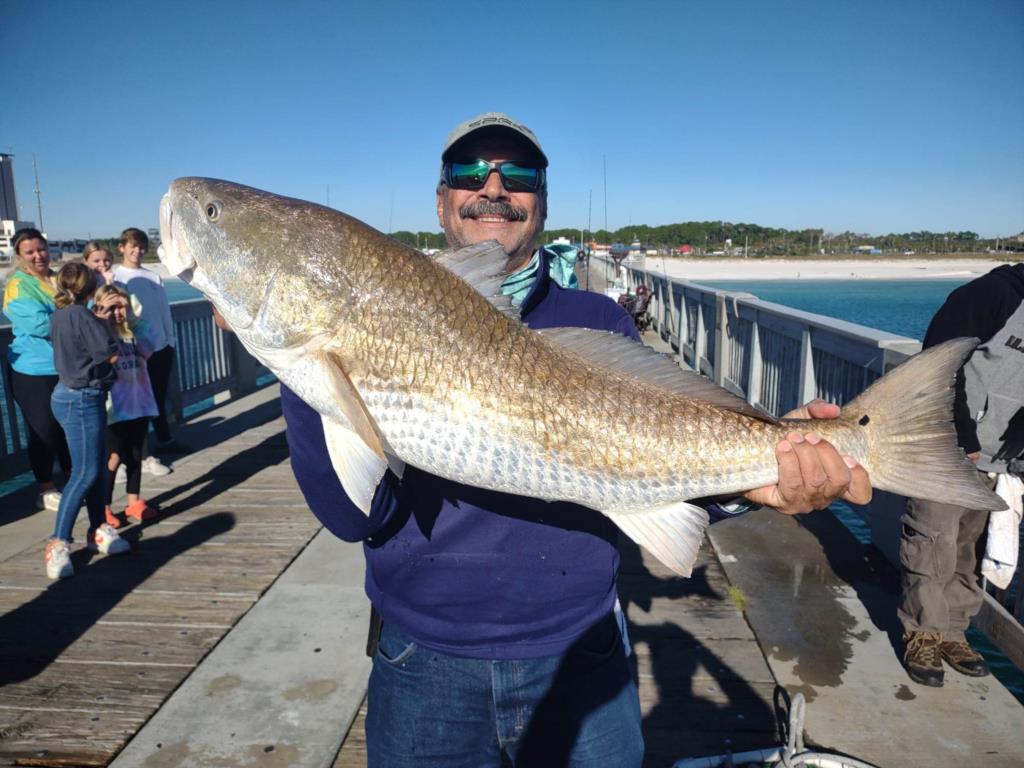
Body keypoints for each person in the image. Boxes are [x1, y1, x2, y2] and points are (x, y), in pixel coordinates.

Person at [280, 112, 871, 766]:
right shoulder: (371, 313)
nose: (495, 187)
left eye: (519, 174)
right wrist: (309, 368)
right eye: (470, 172)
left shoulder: (600, 320)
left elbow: (653, 466)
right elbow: (350, 514)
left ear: (543, 201)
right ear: (443, 200)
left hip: (580, 650)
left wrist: (758, 482)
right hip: (423, 655)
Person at [899, 262, 1024, 687]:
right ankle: (923, 634)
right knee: (931, 540)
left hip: (1000, 460)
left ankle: (954, 631)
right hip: (947, 449)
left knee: (968, 549)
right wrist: (963, 433)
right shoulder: (993, 294)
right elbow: (937, 364)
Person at [44, 262, 129, 580]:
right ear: (90, 286)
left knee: (90, 468)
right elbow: (109, 353)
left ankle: (98, 530)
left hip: (66, 394)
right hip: (83, 398)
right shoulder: (82, 315)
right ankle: (58, 541)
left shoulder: (60, 316)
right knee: (86, 472)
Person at [2, 228, 71, 512]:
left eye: (41, 249)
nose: (37, 256)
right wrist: (74, 319)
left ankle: (74, 476)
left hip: (67, 366)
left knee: (69, 425)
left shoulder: (59, 279)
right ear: (19, 255)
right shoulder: (17, 285)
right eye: (29, 252)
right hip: (33, 369)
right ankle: (45, 488)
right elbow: (38, 325)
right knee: (43, 428)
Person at [93, 283, 160, 528]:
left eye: (122, 306)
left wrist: (133, 320)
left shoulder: (133, 332)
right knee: (113, 457)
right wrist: (101, 321)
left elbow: (148, 350)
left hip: (138, 402)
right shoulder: (100, 333)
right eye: (113, 307)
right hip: (114, 408)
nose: (118, 313)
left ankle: (134, 501)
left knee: (134, 453)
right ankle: (104, 507)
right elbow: (96, 356)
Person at [111, 227, 176, 476]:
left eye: (141, 247)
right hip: (133, 352)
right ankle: (139, 456)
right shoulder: (116, 278)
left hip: (161, 346)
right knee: (137, 403)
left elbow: (164, 311)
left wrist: (170, 340)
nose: (137, 251)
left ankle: (164, 440)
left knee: (157, 398)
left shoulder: (154, 277)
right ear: (122, 247)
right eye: (132, 246)